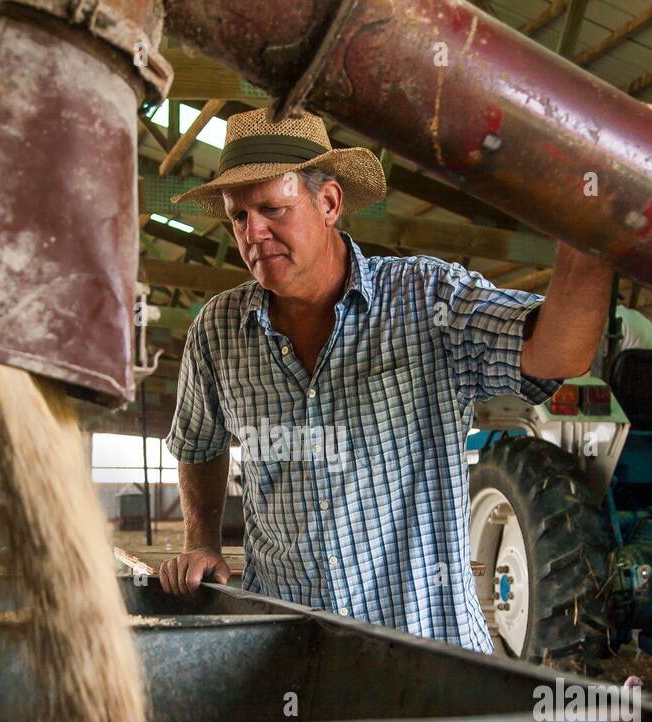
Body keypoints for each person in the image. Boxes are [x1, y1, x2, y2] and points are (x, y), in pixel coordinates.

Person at [158, 107, 611, 653]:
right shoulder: (219, 330)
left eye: (272, 209)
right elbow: (198, 443)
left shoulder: (427, 299)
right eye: (238, 217)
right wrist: (201, 540)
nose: (253, 233)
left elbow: (557, 352)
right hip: (286, 645)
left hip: (426, 650)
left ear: (329, 203)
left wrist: (590, 238)